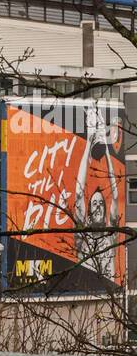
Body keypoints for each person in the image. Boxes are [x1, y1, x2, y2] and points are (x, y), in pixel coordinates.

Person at [73, 107, 121, 282]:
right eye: (94, 204)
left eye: (101, 203)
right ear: (89, 213)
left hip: (109, 295)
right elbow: (79, 193)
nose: (99, 207)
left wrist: (107, 151)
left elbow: (115, 197)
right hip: (84, 292)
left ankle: (97, 130)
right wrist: (89, 142)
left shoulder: (111, 236)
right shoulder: (82, 237)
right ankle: (94, 129)